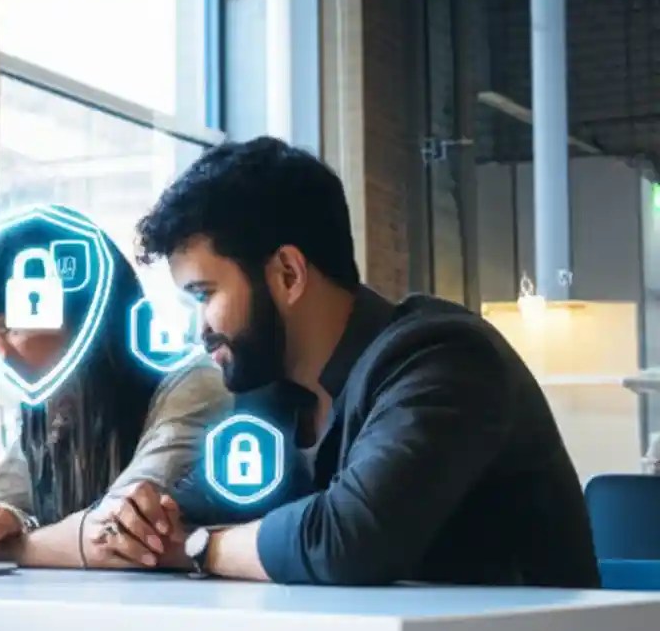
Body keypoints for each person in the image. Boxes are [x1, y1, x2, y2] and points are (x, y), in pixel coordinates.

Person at [102, 136, 600, 587]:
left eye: (205, 295)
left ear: (289, 274)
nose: (199, 329)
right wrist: (139, 526)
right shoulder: (270, 397)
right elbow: (179, 520)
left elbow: (348, 541)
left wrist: (198, 548)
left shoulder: (443, 359)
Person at [0, 206, 231, 569]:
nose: (0, 354)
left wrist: (14, 550)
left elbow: (119, 533)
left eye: (13, 328)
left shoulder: (195, 383)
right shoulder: (49, 405)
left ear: (87, 315)